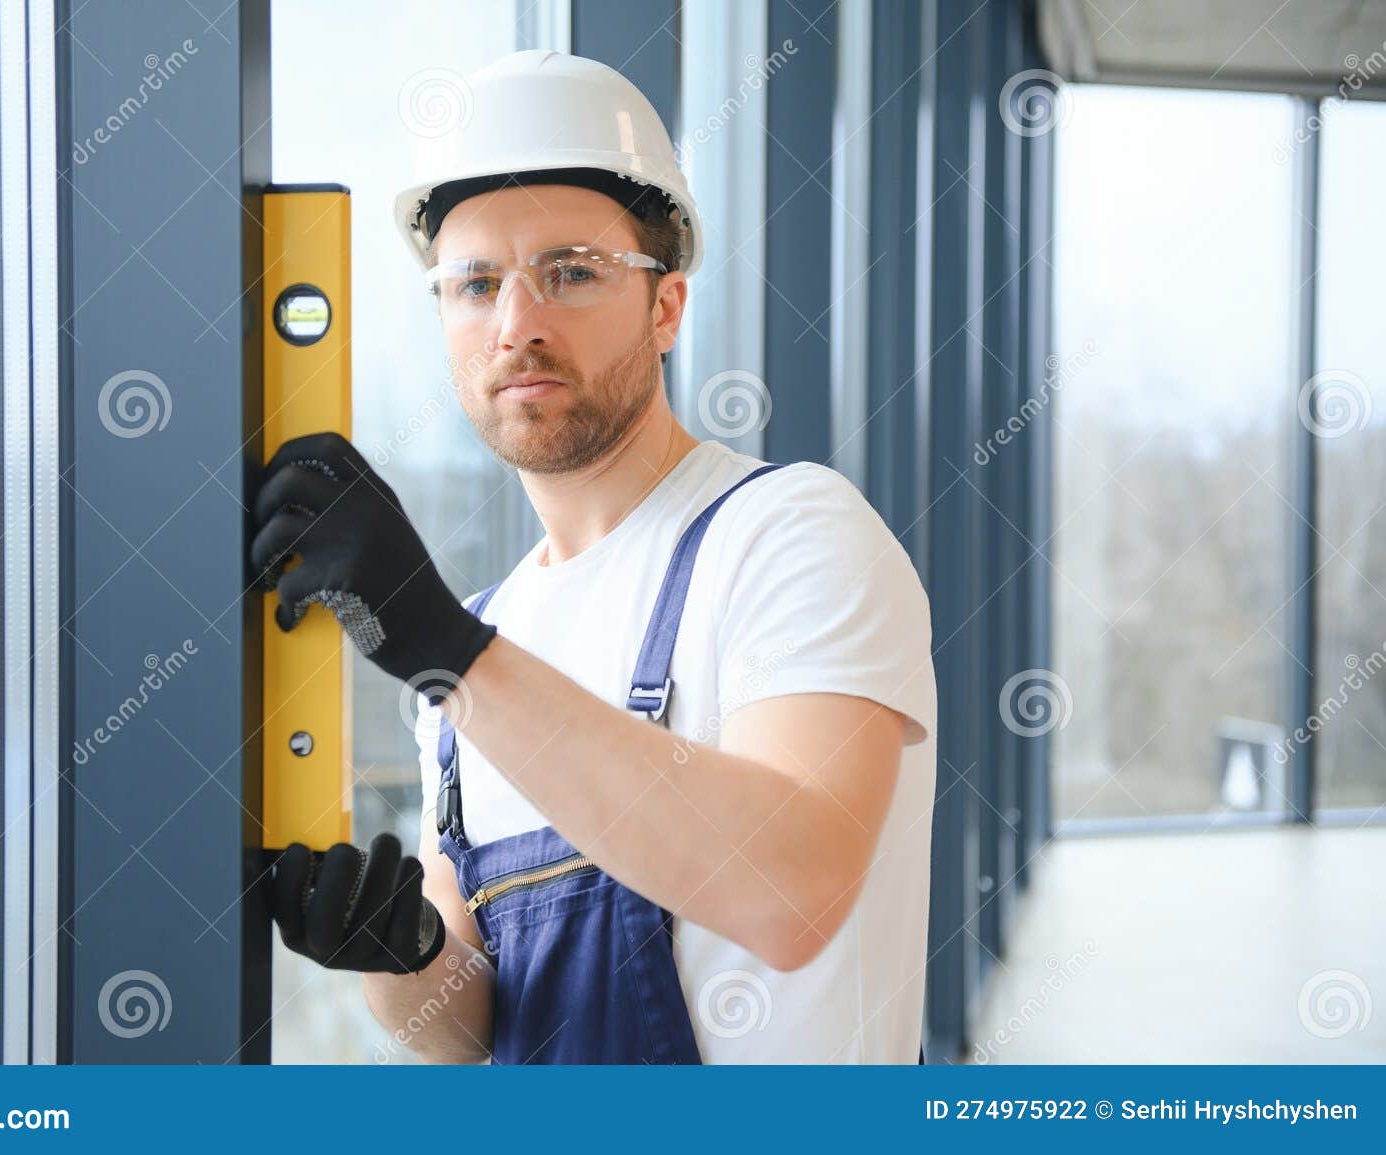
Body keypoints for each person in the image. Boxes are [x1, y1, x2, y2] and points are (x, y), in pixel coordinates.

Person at [251, 49, 936, 1064]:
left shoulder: (790, 534)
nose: (517, 324)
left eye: (571, 273)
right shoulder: (485, 640)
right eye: (475, 284)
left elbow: (792, 892)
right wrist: (397, 955)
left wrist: (442, 643)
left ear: (665, 308)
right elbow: (463, 1030)